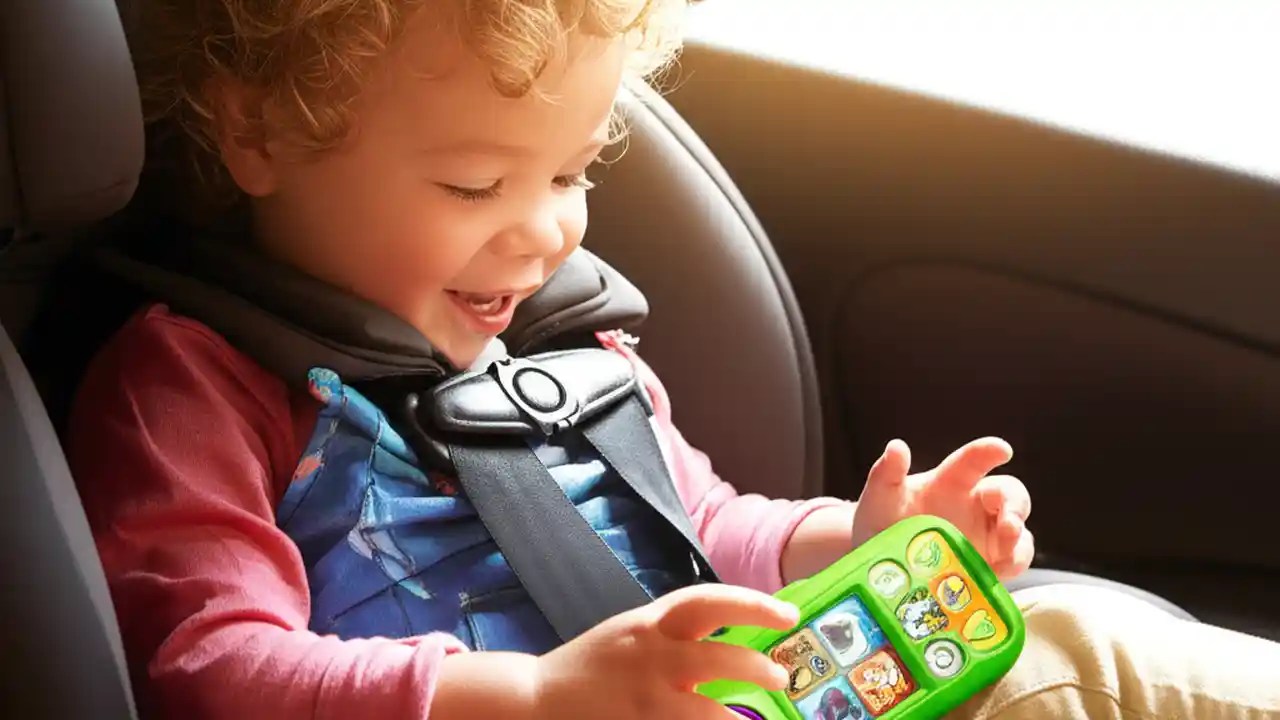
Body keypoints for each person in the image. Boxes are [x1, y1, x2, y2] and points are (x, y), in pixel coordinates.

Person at [68, 1, 1280, 718]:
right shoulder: (197, 384)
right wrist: (534, 701)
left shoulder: (569, 359)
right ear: (259, 134)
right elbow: (208, 671)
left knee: (1058, 642)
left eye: (571, 172)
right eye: (475, 182)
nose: (549, 230)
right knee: (1073, 666)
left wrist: (851, 543)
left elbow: (702, 530)